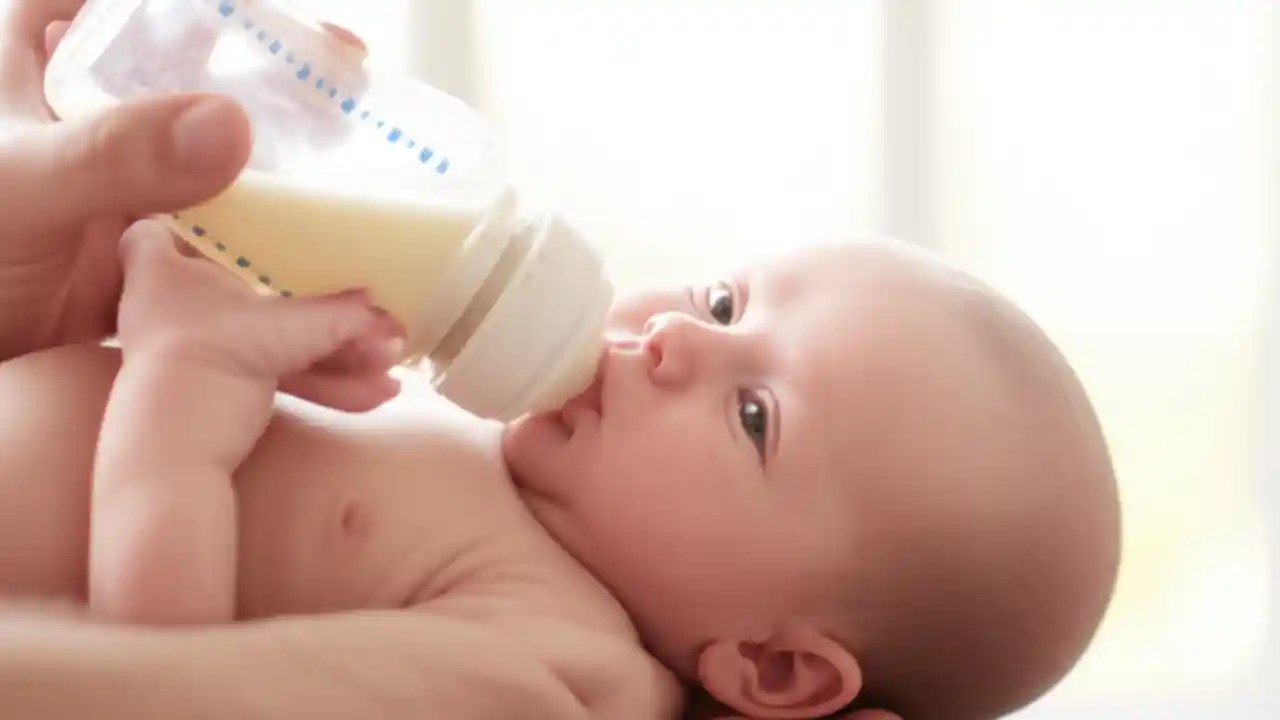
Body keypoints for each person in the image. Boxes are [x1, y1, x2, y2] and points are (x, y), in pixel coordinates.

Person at [0, 2, 1121, 719]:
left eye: (754, 417)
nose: (677, 336)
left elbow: (171, 695)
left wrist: (178, 389)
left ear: (773, 669)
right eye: (725, 298)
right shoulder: (461, 435)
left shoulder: (559, 667)